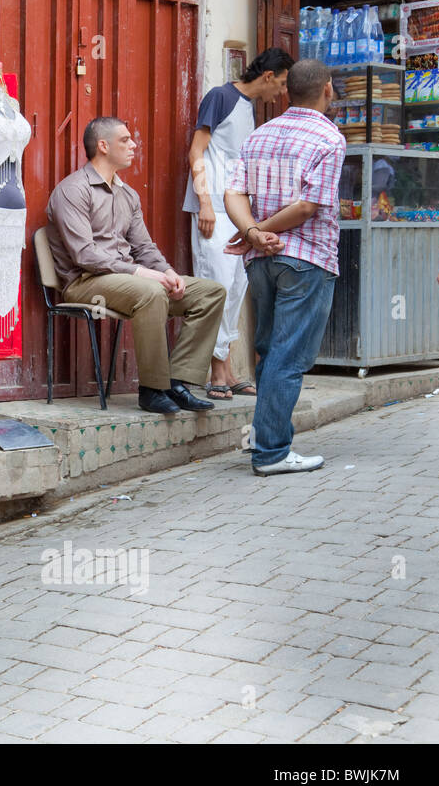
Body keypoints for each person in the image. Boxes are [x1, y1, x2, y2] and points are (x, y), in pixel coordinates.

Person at [46, 117, 227, 415]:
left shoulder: (128, 194)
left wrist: (167, 272)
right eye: (125, 140)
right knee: (150, 292)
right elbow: (84, 255)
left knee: (211, 293)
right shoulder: (73, 190)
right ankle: (152, 390)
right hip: (86, 282)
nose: (133, 145)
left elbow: (144, 247)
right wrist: (144, 274)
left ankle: (177, 382)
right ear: (103, 146)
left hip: (128, 281)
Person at [222, 58, 345, 477]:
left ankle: (264, 438)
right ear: (327, 90)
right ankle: (272, 452)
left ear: (288, 91)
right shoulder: (329, 138)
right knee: (288, 358)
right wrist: (256, 232)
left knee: (271, 351)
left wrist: (253, 233)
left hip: (263, 262)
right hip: (307, 259)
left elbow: (233, 193)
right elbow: (309, 207)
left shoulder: (261, 133)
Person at [185, 47, 294, 399]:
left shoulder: (248, 110)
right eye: (280, 84)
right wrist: (203, 202)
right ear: (267, 76)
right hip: (213, 210)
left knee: (236, 288)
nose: (281, 92)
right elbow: (196, 151)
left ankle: (227, 369)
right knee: (216, 285)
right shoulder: (221, 97)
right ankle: (215, 372)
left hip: (238, 214)